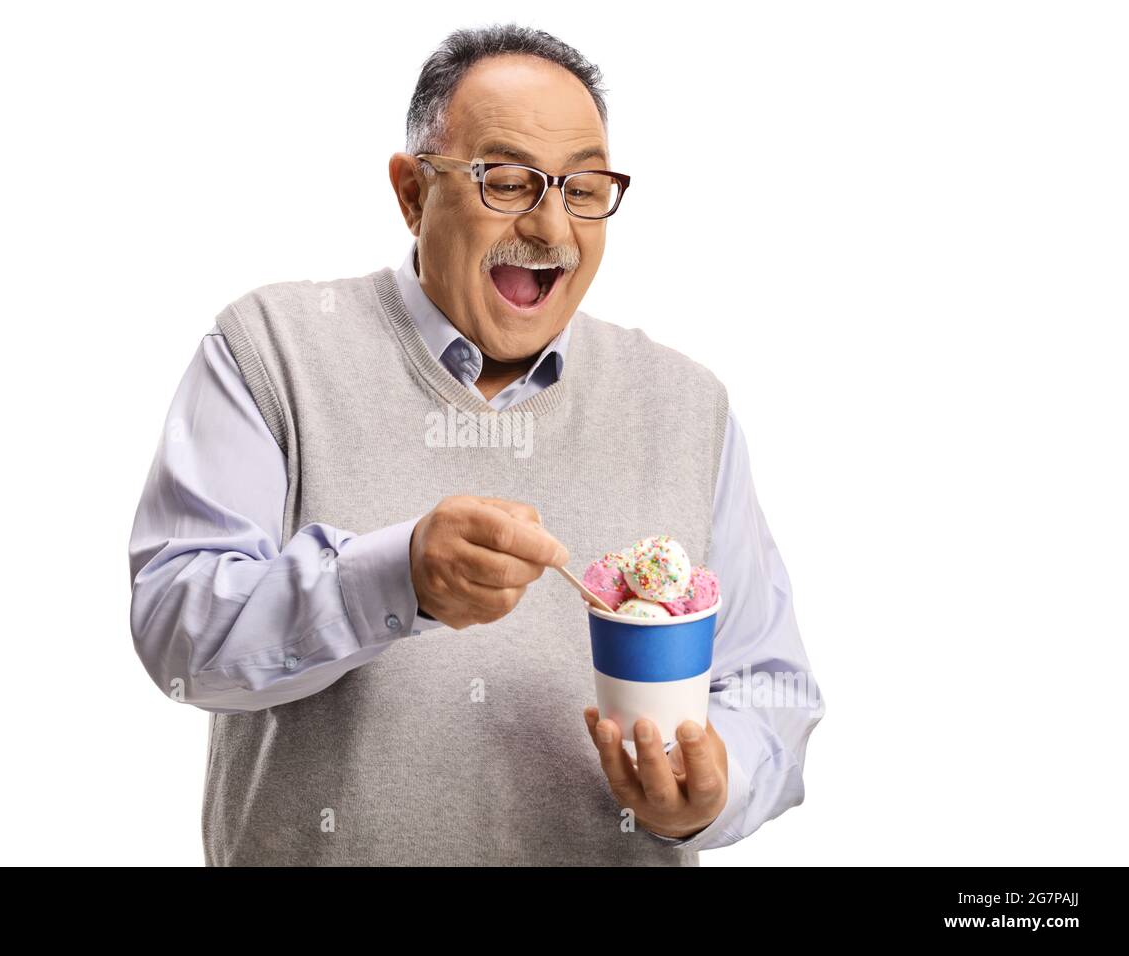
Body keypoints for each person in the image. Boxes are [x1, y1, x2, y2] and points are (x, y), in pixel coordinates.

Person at [128, 23, 824, 865]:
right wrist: (398, 577)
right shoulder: (271, 350)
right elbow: (176, 634)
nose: (552, 228)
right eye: (505, 181)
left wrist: (713, 796)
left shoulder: (685, 404)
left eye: (584, 188)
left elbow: (767, 686)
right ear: (413, 193)